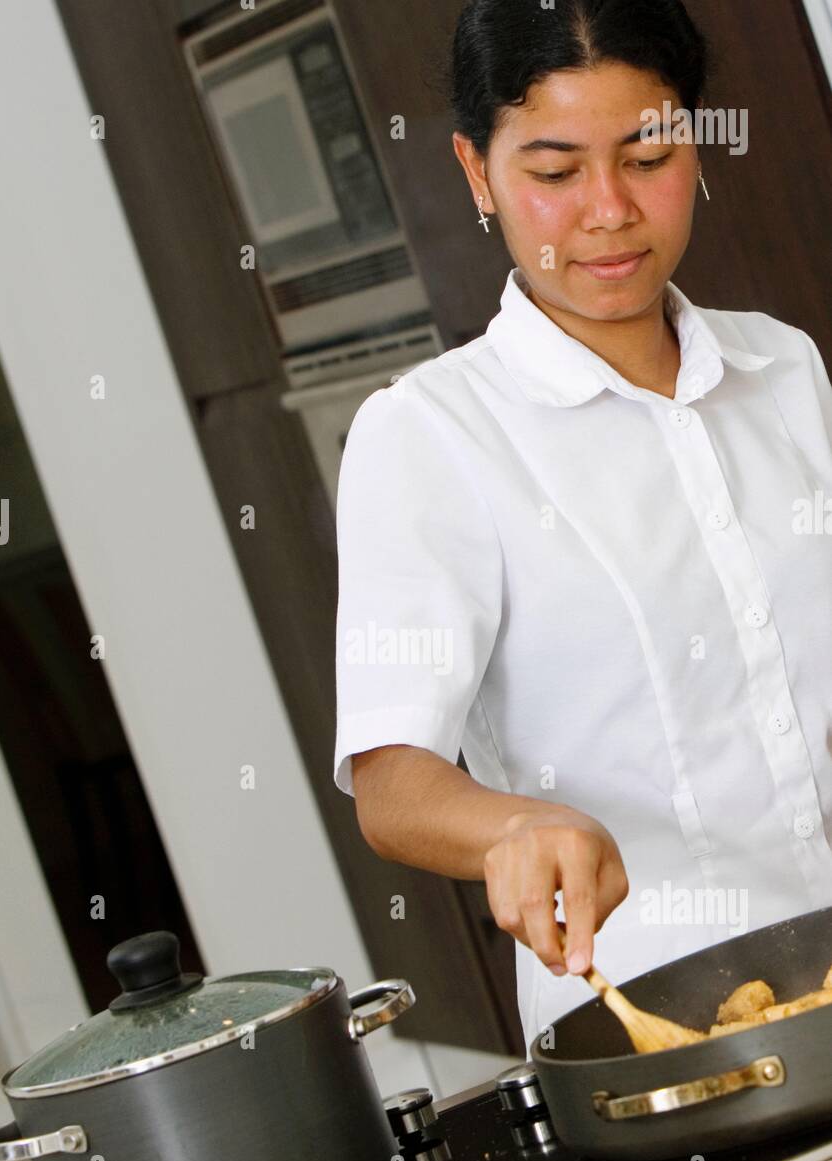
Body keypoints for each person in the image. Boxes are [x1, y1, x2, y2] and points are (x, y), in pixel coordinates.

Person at [332, 0, 832, 1055]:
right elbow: (391, 781)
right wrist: (515, 826)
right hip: (658, 1025)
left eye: (646, 156)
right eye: (553, 174)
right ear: (477, 173)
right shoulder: (427, 435)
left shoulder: (780, 368)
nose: (607, 210)